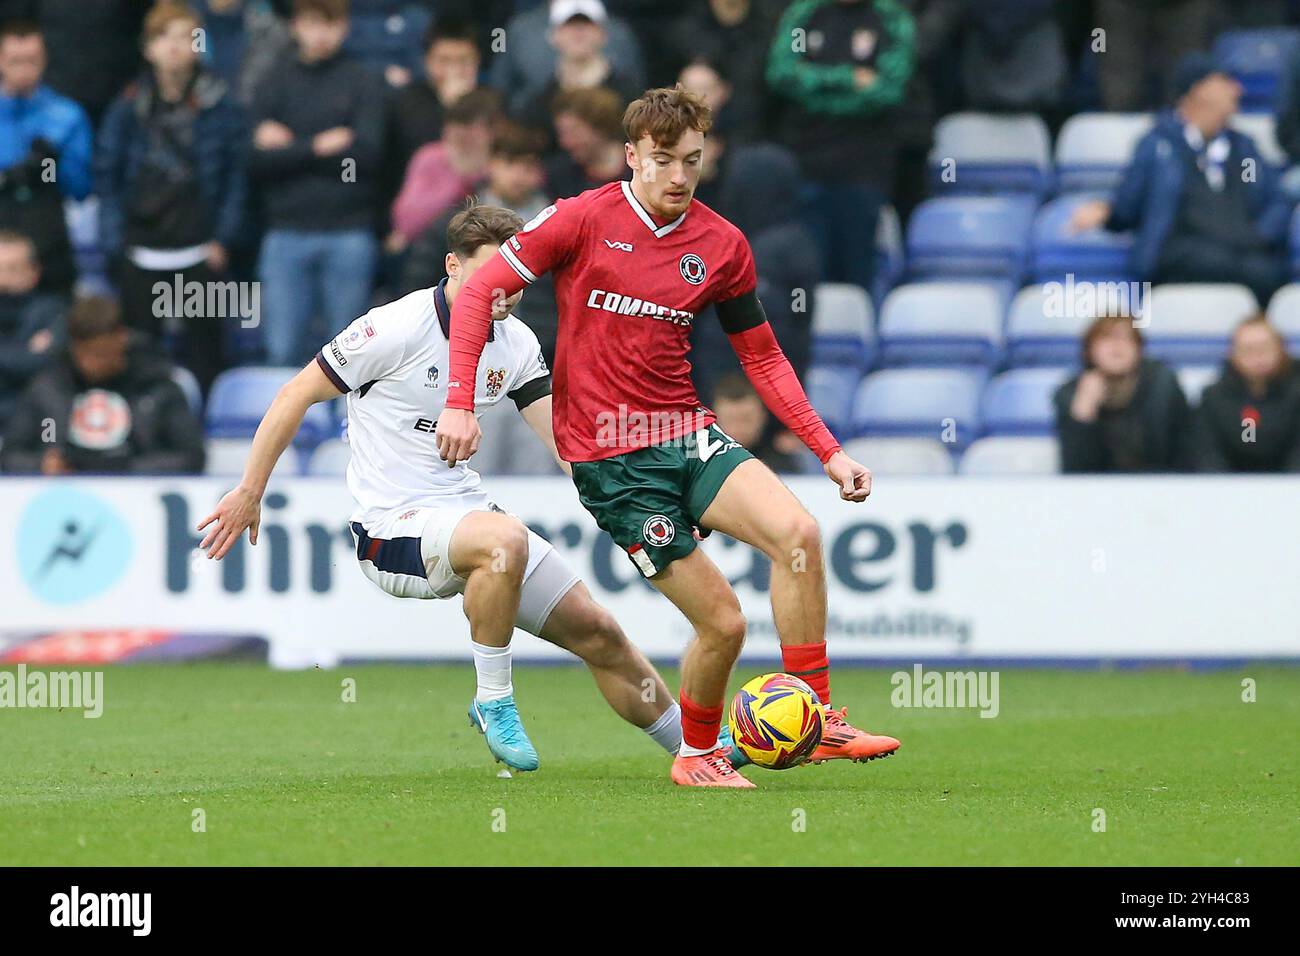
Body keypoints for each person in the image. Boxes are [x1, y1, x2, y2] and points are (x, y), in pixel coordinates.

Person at [437, 87, 899, 789]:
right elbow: (476, 293)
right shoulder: (580, 218)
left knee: (800, 536)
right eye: (663, 161)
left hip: (683, 431)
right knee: (724, 623)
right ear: (632, 157)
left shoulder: (722, 244)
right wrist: (460, 404)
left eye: (692, 160)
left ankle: (823, 717)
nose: (679, 176)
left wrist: (828, 450)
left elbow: (764, 357)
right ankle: (696, 756)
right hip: (613, 460)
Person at [196, 203, 714, 772]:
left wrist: (644, 506)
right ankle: (494, 698)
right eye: (490, 275)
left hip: (465, 514)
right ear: (452, 266)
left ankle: (696, 754)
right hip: (391, 529)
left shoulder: (515, 343)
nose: (503, 292)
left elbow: (570, 448)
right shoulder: (393, 328)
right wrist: (250, 490)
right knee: (504, 541)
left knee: (601, 633)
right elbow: (295, 394)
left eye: (514, 277)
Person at [96, 1, 248, 396]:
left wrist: (224, 240)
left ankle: (202, 437)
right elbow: (107, 176)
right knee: (138, 356)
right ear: (148, 47)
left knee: (207, 356)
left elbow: (237, 178)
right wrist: (116, 242)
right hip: (140, 253)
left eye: (186, 37)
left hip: (200, 253)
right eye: (165, 36)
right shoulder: (126, 106)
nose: (176, 46)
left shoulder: (222, 106)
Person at [1070, 54, 1293, 307]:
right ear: (1198, 90)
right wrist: (1106, 212)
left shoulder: (1244, 151)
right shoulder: (1158, 145)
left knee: (1266, 273)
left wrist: (1261, 236)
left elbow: (1276, 201)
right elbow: (1128, 207)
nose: (1237, 89)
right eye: (1225, 81)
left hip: (1244, 259)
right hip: (1180, 258)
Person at [251, 0, 384, 366]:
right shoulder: (273, 81)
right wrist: (316, 146)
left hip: (349, 231)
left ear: (345, 26)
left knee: (351, 358)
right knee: (281, 352)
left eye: (331, 23)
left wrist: (290, 149)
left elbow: (366, 159)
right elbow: (256, 162)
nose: (322, 33)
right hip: (284, 231)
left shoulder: (363, 82)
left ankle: (347, 427)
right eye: (312, 23)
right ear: (295, 25)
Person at [765, 0, 915, 295]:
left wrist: (816, 87)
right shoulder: (804, 14)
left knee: (857, 281)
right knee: (807, 284)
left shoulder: (891, 19)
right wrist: (848, 79)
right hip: (807, 170)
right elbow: (781, 73)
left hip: (864, 173)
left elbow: (886, 91)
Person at [0, 295, 205, 475]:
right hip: (64, 493)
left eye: (103, 353)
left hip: (136, 493)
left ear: (122, 338)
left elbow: (191, 456)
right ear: (73, 346)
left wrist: (129, 468)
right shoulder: (47, 389)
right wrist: (41, 463)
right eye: (86, 354)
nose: (94, 363)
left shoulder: (157, 387)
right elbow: (11, 454)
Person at [0, 19, 93, 297]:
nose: (24, 69)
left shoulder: (65, 116)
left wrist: (50, 166)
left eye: (32, 60)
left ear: (44, 61)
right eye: (15, 60)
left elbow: (80, 189)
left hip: (48, 235)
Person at [1053, 314, 1192, 474]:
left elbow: (1185, 455)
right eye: (1106, 338)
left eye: (1127, 338)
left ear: (1139, 350)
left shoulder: (1163, 386)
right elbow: (1075, 473)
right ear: (1089, 350)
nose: (1117, 345)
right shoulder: (1069, 395)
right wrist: (1083, 414)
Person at [389, 88, 496, 247]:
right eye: (457, 126)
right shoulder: (430, 157)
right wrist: (459, 176)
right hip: (433, 244)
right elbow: (407, 222)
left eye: (473, 128)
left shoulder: (502, 164)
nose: (464, 135)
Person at [386, 16, 481, 188]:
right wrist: (449, 108)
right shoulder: (404, 102)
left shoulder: (491, 101)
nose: (454, 71)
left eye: (463, 61)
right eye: (444, 61)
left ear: (477, 61)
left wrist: (463, 105)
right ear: (427, 61)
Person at [1196, 316, 1300, 472]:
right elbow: (1206, 454)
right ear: (1233, 354)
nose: (1257, 357)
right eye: (1248, 349)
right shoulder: (1213, 398)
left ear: (1281, 349)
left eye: (1265, 348)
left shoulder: (1296, 393)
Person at [0, 229, 62, 418]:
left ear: (33, 271)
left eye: (12, 269)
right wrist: (26, 349)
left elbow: (49, 364)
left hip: (36, 420)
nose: (2, 278)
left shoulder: (55, 311)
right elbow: (28, 360)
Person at [545, 87, 628, 201]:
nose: (565, 142)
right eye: (562, 134)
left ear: (600, 126)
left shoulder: (642, 166)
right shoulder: (559, 177)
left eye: (574, 132)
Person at [710, 373, 804, 473]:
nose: (737, 428)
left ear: (763, 416)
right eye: (729, 420)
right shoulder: (702, 462)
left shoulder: (785, 459)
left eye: (746, 419)